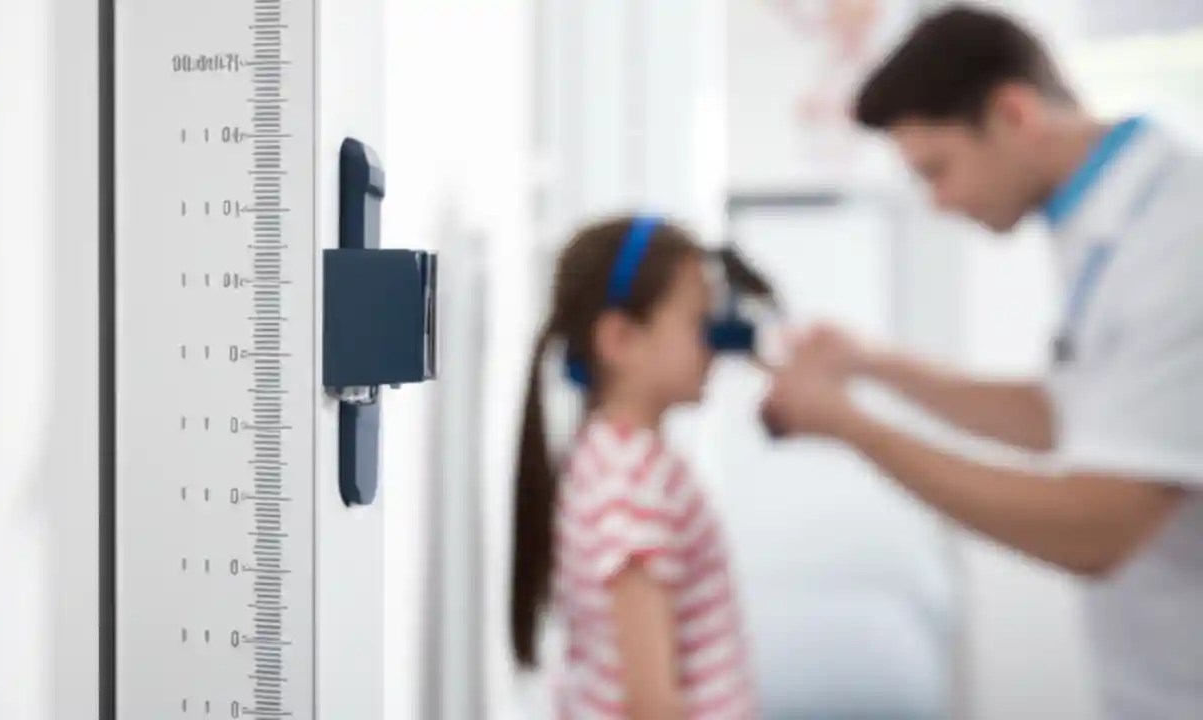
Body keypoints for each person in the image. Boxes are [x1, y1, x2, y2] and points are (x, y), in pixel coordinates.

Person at [761, 6, 1203, 719]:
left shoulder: (1180, 238)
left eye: (938, 170)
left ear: (1014, 114)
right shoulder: (1102, 220)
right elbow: (1067, 414)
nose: (938, 203)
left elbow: (1098, 529)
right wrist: (872, 364)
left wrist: (853, 428)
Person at [511, 217, 757, 719]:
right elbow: (651, 705)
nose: (714, 342)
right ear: (620, 339)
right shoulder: (628, 481)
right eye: (698, 322)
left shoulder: (625, 462)